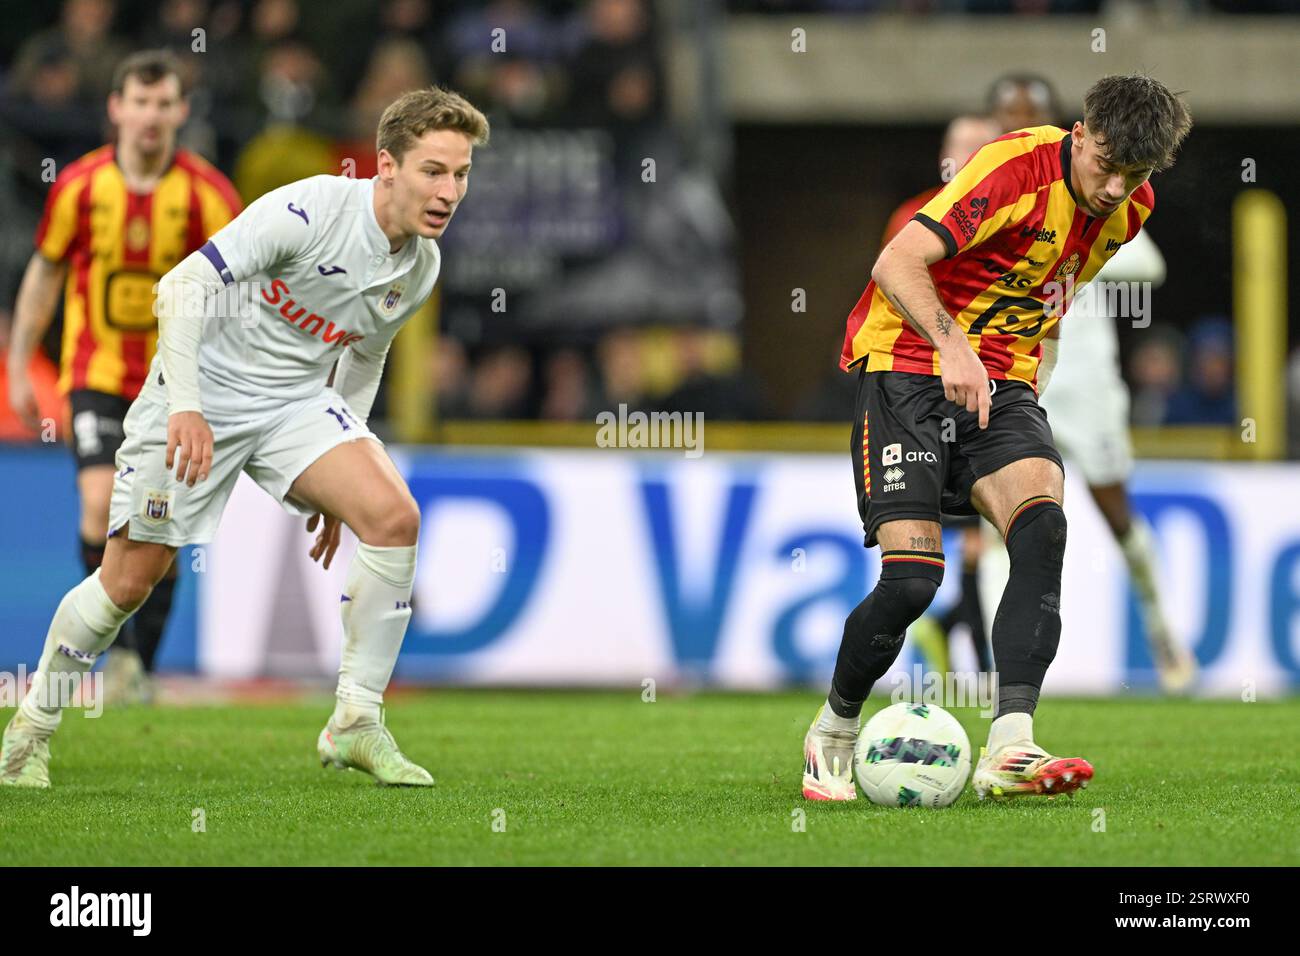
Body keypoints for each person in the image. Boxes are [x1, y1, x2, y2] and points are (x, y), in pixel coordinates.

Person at [1, 86, 490, 789]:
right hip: (201, 388)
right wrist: (188, 408)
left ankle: (355, 719)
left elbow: (365, 355)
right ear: (386, 166)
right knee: (127, 584)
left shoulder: (420, 266)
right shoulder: (312, 209)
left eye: (462, 174)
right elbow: (181, 287)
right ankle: (31, 730)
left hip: (294, 406)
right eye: (433, 171)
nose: (449, 190)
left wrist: (337, 463)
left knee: (392, 517)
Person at [802, 74, 1191, 802]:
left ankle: (1011, 744)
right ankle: (834, 730)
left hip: (1000, 378)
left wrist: (1032, 363)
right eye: (1104, 164)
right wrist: (953, 345)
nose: (1114, 188)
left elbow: (1052, 285)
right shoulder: (1014, 168)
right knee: (915, 579)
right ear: (1079, 133)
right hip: (909, 363)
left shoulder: (1131, 207)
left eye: (1132, 175)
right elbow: (895, 263)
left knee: (1044, 526)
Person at [5, 50, 241, 705]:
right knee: (98, 501)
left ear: (181, 112)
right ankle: (122, 657)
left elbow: (243, 284)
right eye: (139, 103)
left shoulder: (207, 194)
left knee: (160, 519)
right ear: (115, 108)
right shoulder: (79, 187)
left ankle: (140, 666)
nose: (150, 117)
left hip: (179, 387)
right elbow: (46, 270)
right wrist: (22, 360)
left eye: (164, 104)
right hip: (98, 374)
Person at [987, 74, 1197, 692]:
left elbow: (1150, 264)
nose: (1015, 120)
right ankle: (989, 665)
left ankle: (1163, 633)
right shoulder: (1000, 180)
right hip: (1013, 374)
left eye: (1027, 112)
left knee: (1117, 515)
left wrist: (1078, 260)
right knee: (998, 521)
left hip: (1087, 383)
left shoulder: (1101, 188)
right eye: (1007, 112)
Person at [880, 114, 1001, 680]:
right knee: (940, 554)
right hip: (922, 395)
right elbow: (894, 293)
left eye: (984, 149)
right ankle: (980, 669)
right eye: (962, 149)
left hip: (985, 390)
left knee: (987, 544)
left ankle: (971, 657)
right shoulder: (915, 219)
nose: (972, 160)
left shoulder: (1011, 214)